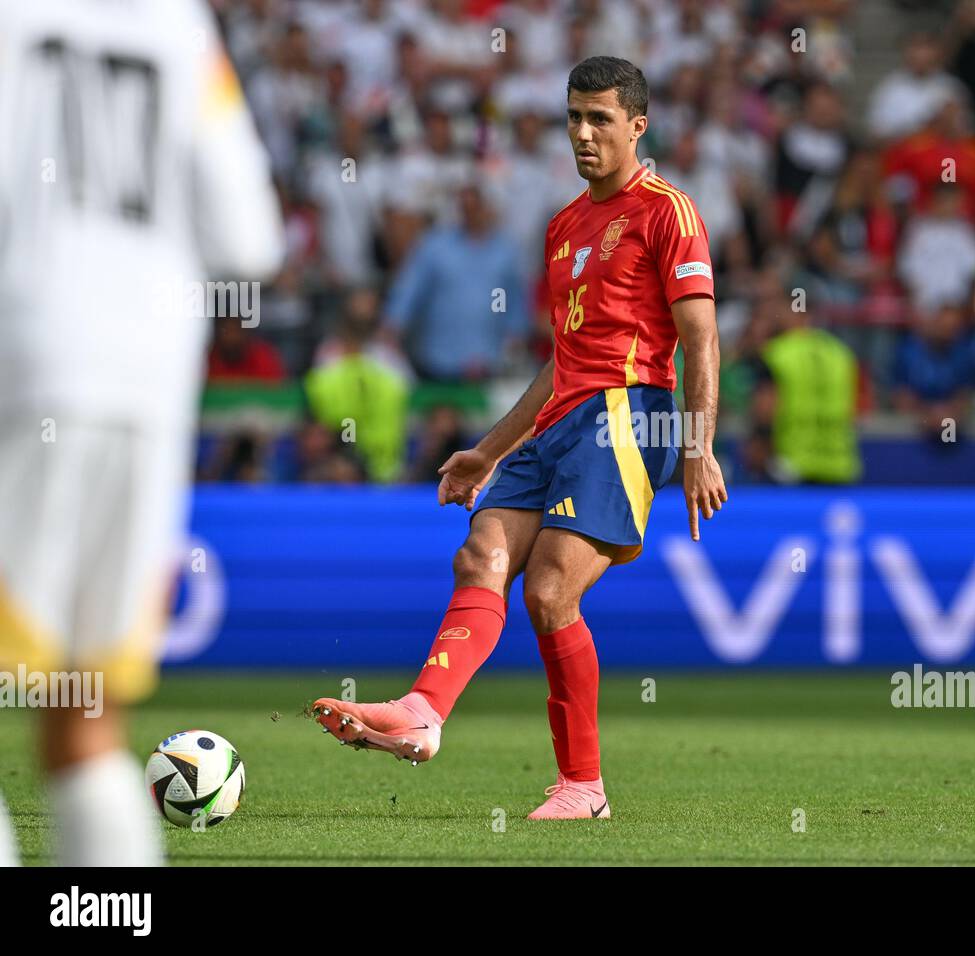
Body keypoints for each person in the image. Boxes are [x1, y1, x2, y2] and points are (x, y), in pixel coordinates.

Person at [313, 56, 727, 820]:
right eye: (574, 117)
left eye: (600, 118)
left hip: (630, 414)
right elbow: (561, 358)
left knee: (548, 590)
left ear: (638, 126)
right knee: (481, 553)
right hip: (560, 418)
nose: (583, 133)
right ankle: (423, 715)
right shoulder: (565, 226)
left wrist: (699, 445)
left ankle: (583, 787)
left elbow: (700, 335)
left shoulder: (668, 210)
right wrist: (490, 448)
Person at [0, 0, 282, 865]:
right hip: (150, 379)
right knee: (85, 720)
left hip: (25, 350)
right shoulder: (178, 24)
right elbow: (250, 237)